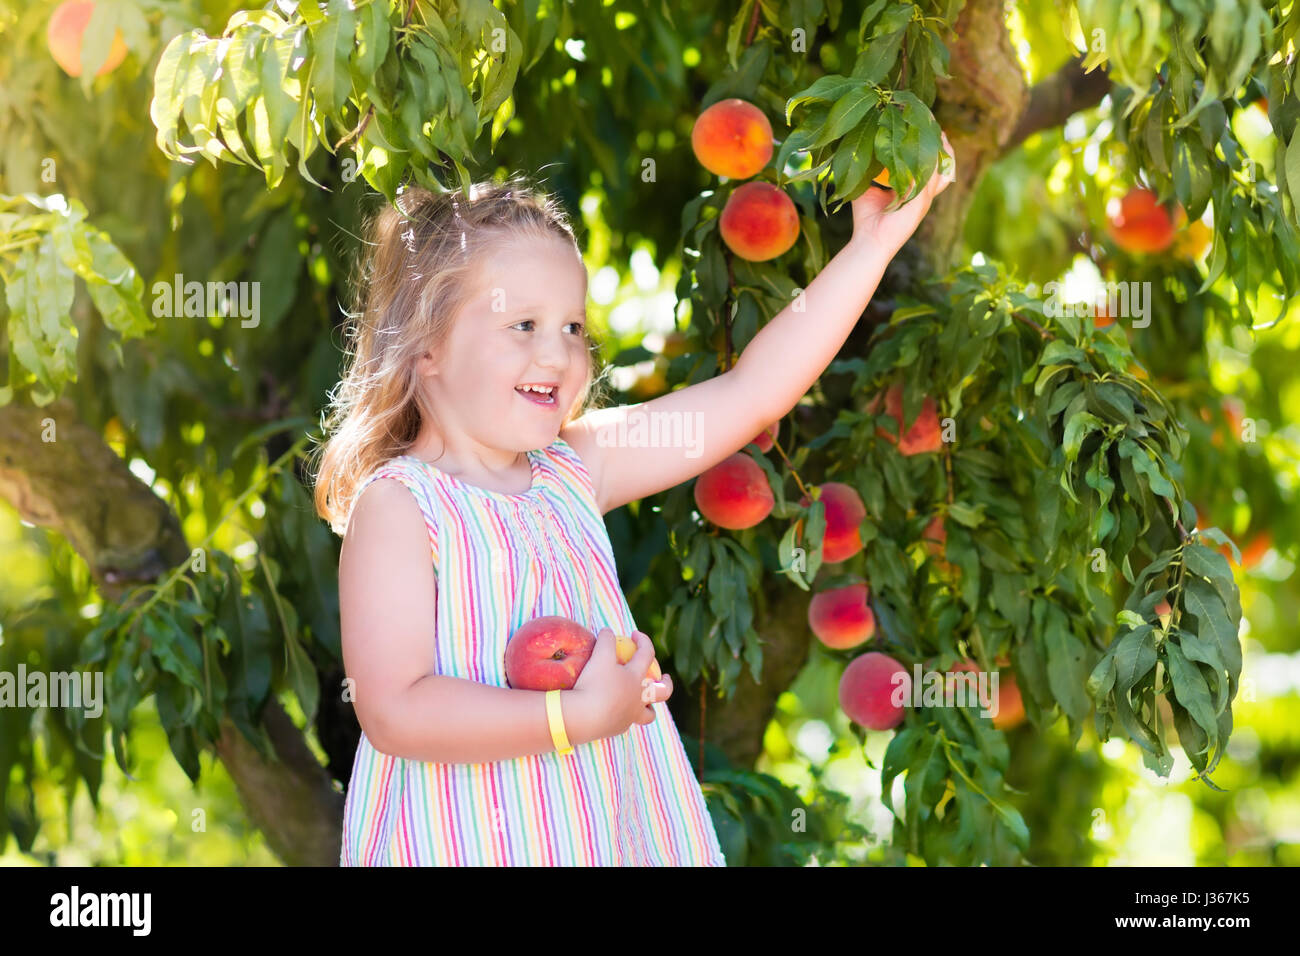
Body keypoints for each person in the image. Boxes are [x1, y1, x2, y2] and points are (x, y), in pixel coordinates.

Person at [312, 149, 954, 865]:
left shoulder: (572, 470)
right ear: (426, 347)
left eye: (573, 328)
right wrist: (578, 715)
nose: (558, 354)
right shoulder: (401, 507)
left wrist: (874, 243)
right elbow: (396, 710)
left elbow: (751, 394)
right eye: (523, 325)